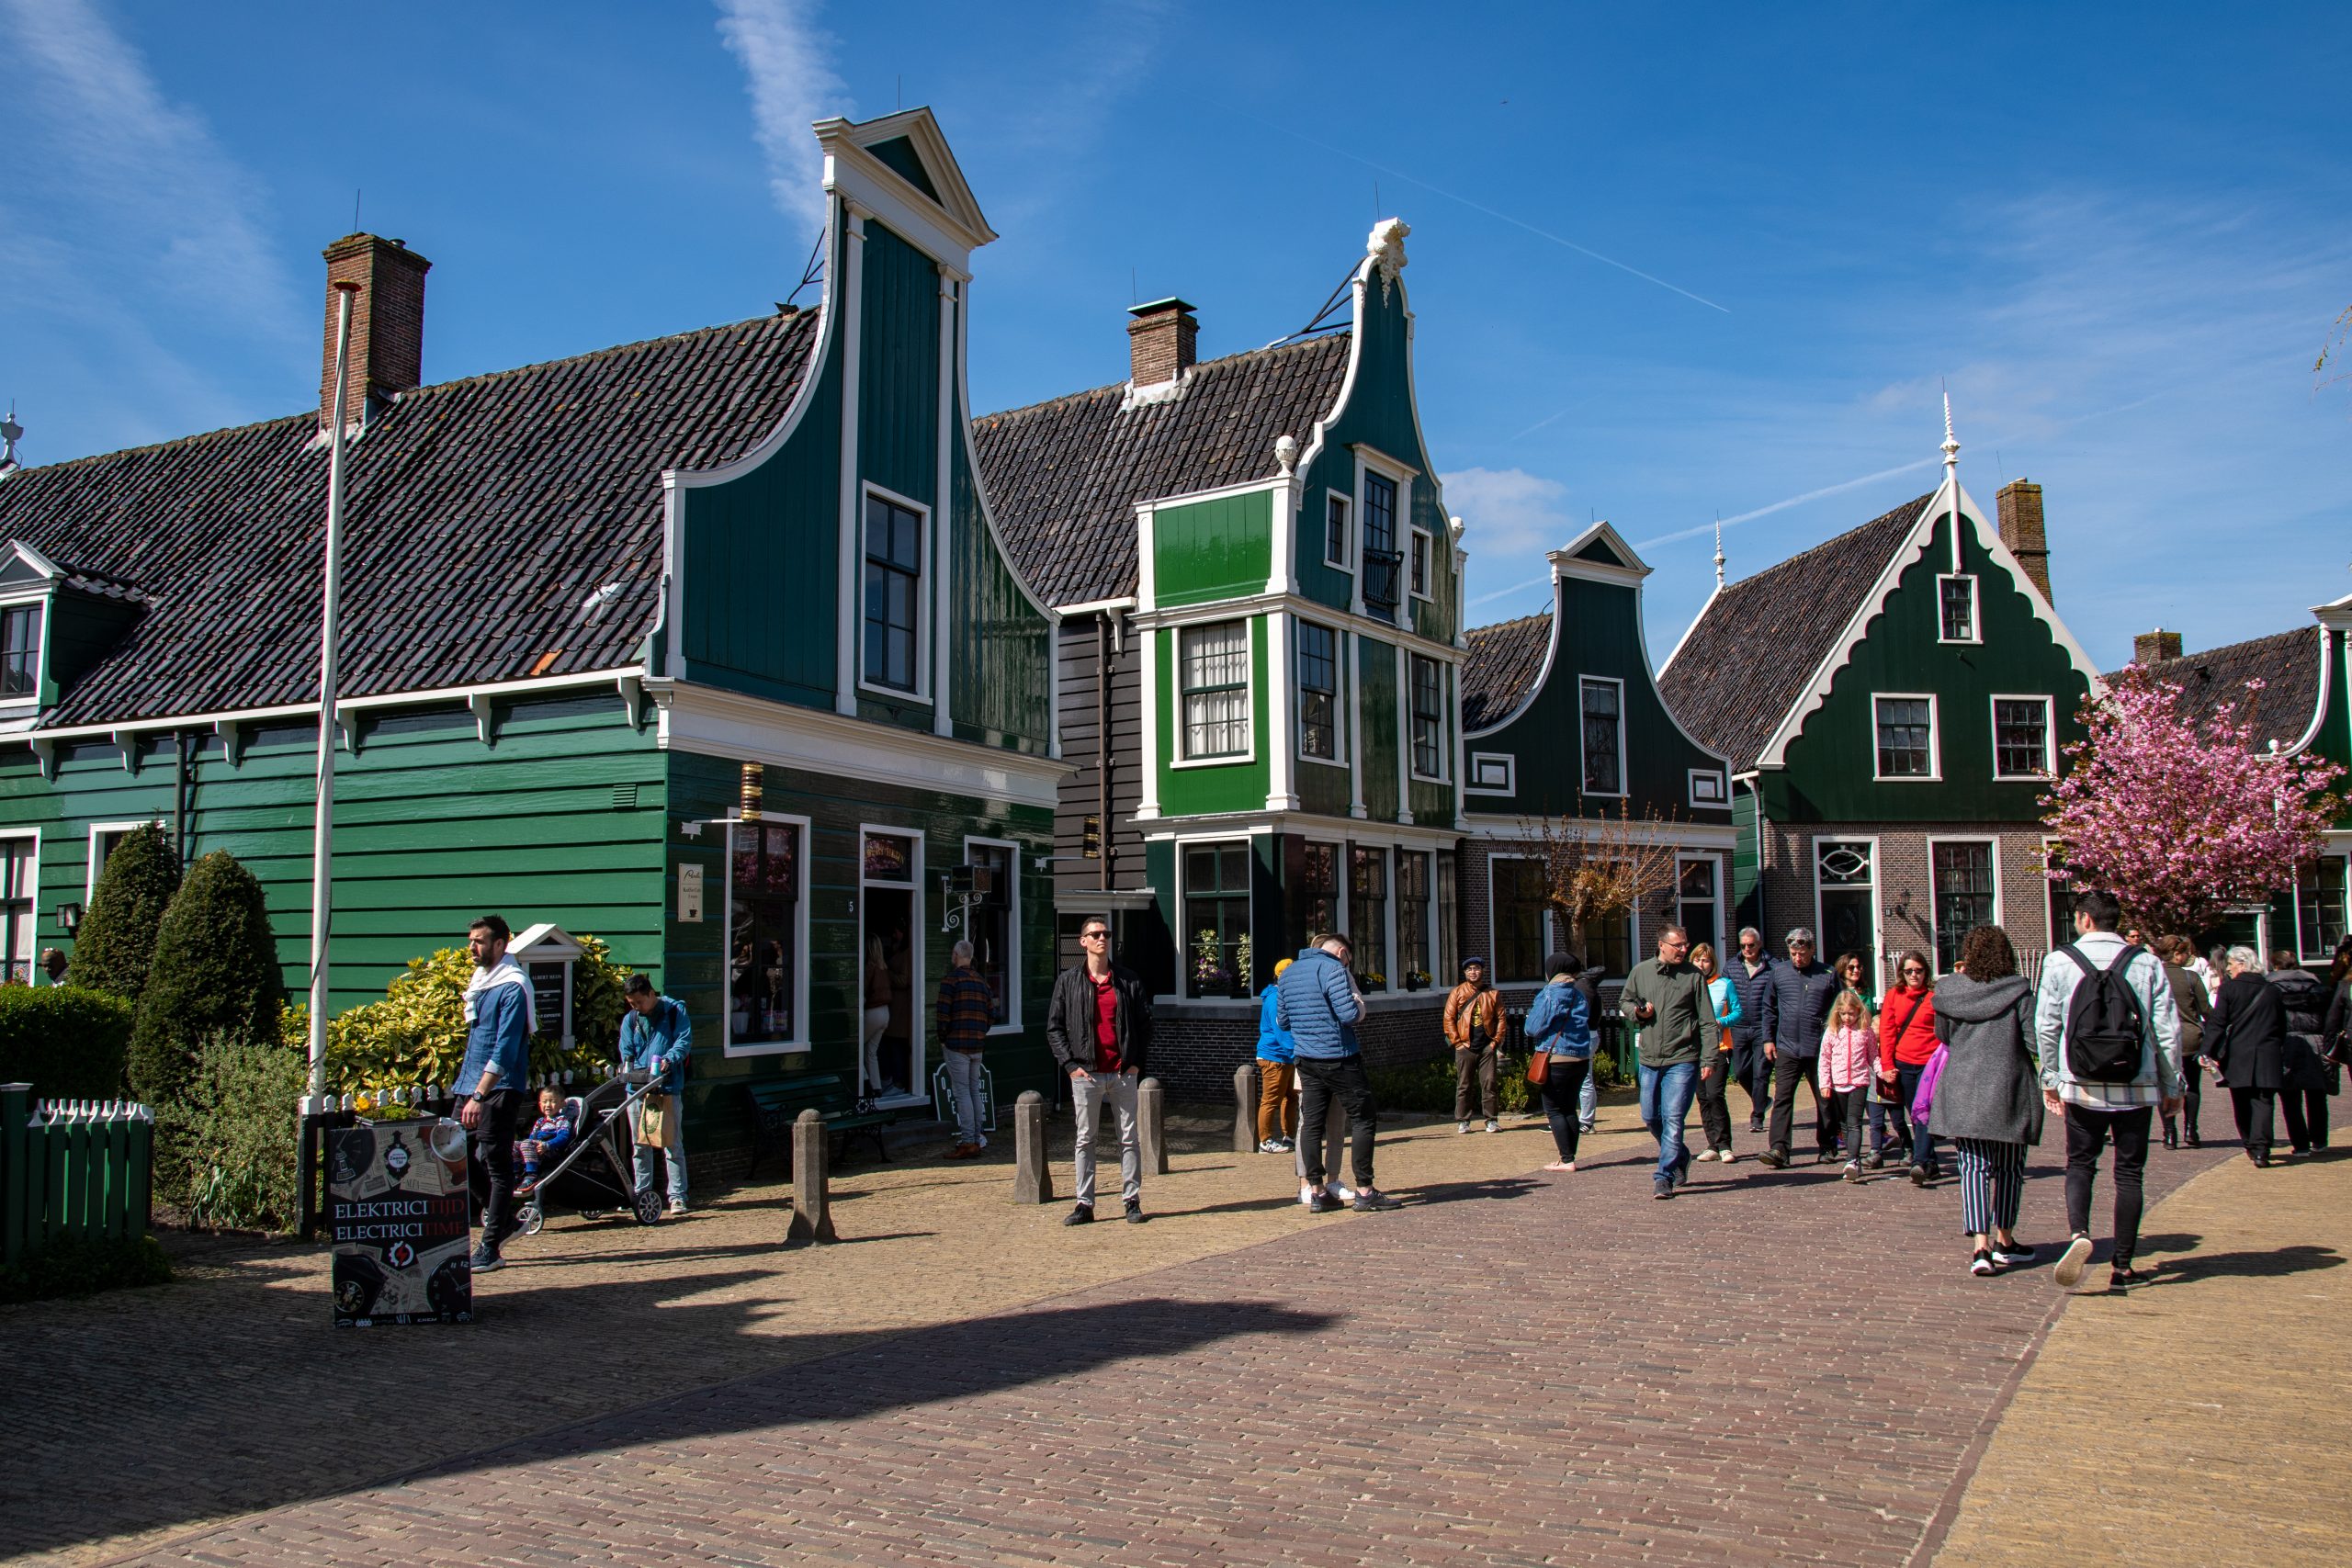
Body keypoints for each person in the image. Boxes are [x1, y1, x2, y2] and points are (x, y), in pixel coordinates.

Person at [2035, 890, 2182, 1292]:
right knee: (2130, 1173)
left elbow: (2046, 1025)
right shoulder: (2147, 962)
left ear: (2084, 919)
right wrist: (2173, 1086)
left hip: (2082, 1083)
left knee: (2081, 1163)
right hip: (2136, 1082)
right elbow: (2166, 1031)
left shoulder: (2060, 961)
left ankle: (2080, 1232)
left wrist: (2050, 1078)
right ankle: (2123, 1264)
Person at [1928, 926, 2041, 1278]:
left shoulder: (1949, 993)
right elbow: (2034, 1042)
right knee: (2009, 1168)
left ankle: (1980, 1246)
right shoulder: (2020, 992)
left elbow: (1943, 1036)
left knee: (1973, 1168)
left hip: (1964, 1087)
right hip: (2009, 1087)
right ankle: (2005, 1239)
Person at [1276, 932, 1401, 1213]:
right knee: (1364, 1117)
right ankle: (1365, 1191)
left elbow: (1282, 1021)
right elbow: (1348, 1015)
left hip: (1305, 1059)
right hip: (1339, 1057)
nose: (1347, 965)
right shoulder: (1333, 969)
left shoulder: (1289, 972)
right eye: (1348, 960)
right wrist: (1358, 1005)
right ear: (1342, 952)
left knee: (1311, 1124)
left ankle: (1317, 1193)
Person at [1046, 916, 1151, 1224]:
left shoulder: (1128, 981)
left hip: (1121, 1073)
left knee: (1129, 1138)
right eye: (1095, 934)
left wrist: (1135, 1064)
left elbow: (1145, 1025)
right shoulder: (1068, 982)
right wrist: (1070, 1065)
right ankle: (1084, 1204)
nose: (1102, 939)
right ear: (1083, 942)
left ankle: (1131, 1200)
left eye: (1106, 933)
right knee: (1084, 1139)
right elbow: (1054, 1028)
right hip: (1086, 1073)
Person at [1619, 924, 1722, 1200]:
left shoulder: (1693, 976)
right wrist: (1639, 1013)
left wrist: (1709, 1057)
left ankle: (1664, 1176)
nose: (1684, 949)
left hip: (1683, 1059)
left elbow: (1708, 1021)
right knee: (1651, 1117)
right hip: (1650, 1058)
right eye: (1679, 945)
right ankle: (1681, 1155)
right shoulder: (1641, 972)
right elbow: (1625, 1002)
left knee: (1674, 1120)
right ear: (1662, 944)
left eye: (1685, 944)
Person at [456, 915, 535, 1273]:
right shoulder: (483, 981)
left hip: (497, 1088)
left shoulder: (513, 986)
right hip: (470, 1083)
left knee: (496, 1163)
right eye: (471, 940)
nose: (473, 947)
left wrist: (479, 1095)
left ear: (501, 943)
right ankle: (503, 1222)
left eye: (480, 941)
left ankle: (491, 1247)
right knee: (457, 1156)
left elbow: (504, 1048)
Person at [1759, 928, 1840, 1168]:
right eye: (1793, 953)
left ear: (1812, 950)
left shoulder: (1827, 973)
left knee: (1825, 1099)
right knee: (1783, 1098)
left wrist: (1833, 1038)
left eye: (1802, 953)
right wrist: (1768, 1039)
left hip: (1819, 1048)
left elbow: (1839, 1007)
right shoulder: (1779, 972)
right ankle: (1779, 1149)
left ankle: (1827, 1146)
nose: (1797, 958)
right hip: (1787, 1047)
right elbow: (1769, 1007)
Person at [618, 972, 693, 1213]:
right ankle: (642, 1193)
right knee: (640, 1143)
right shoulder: (631, 1020)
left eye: (640, 1002)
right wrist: (627, 1064)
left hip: (667, 1086)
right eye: (632, 1004)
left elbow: (683, 1040)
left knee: (671, 1142)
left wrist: (669, 1060)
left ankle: (677, 1196)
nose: (636, 1007)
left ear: (651, 993)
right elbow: (626, 1048)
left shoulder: (674, 1012)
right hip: (637, 1087)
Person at [1524, 952, 1594, 1172]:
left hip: (1556, 1058)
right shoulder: (1579, 993)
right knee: (1570, 1108)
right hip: (1581, 1057)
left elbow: (1532, 1028)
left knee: (1554, 1109)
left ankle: (1566, 1160)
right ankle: (1568, 1156)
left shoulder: (1550, 993)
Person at [1877, 952, 1939, 1180]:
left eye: (1918, 970)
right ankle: (1931, 1163)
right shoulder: (1895, 995)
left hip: (1929, 1064)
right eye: (1909, 971)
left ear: (1926, 972)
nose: (1914, 975)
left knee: (1924, 1113)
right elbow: (1887, 1031)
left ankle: (1920, 1162)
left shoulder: (1935, 996)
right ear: (1902, 973)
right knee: (1915, 1113)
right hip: (1904, 1061)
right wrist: (1887, 1065)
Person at [2270, 949, 2334, 1155]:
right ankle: (2319, 1140)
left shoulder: (2271, 988)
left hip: (2286, 1042)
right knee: (2317, 1094)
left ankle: (2300, 1145)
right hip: (2316, 1041)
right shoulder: (2316, 986)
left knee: (2290, 1098)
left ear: (2276, 966)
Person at [936, 940, 995, 1159]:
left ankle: (968, 1140)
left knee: (962, 1092)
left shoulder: (951, 981)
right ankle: (977, 1137)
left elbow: (942, 1015)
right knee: (973, 1090)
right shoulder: (982, 982)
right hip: (977, 1045)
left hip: (956, 1044)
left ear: (955, 955)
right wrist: (980, 1033)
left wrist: (943, 1039)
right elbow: (991, 1015)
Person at [2155, 935, 2213, 1148]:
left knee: (2165, 1086)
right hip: (2189, 1038)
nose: (2189, 956)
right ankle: (2191, 1130)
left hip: (2162, 1039)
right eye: (2186, 952)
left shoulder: (2154, 976)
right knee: (2192, 1086)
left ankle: (2169, 1134)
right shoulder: (2191, 978)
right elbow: (2206, 1010)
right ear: (2177, 955)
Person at [1724, 928, 1779, 1135]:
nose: (1747, 949)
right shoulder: (1732, 966)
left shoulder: (1773, 966)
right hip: (1738, 1026)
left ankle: (1757, 1117)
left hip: (1762, 1026)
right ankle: (1763, 1101)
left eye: (1751, 945)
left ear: (1759, 943)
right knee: (1740, 1071)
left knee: (1761, 1073)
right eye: (1743, 945)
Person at [1690, 942, 1740, 1162]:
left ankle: (1725, 1145)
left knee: (1715, 1093)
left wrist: (1722, 1021)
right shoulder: (1687, 984)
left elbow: (1738, 1011)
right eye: (1698, 959)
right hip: (1695, 1049)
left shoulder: (1724, 984)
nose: (1702, 964)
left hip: (1719, 1047)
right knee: (1702, 1097)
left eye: (1706, 959)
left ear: (1713, 962)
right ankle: (1712, 1144)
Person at [1820, 988, 1877, 1182]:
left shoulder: (1865, 1031)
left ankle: (1851, 1160)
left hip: (1859, 1081)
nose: (1847, 1017)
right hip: (1838, 1083)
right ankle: (1855, 1160)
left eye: (1851, 1014)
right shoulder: (1832, 1031)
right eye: (1843, 1013)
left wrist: (1882, 1072)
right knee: (1844, 1123)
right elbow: (1824, 1059)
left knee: (1854, 1123)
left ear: (1858, 1011)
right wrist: (1825, 1083)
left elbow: (1873, 1056)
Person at [1443, 957, 1503, 1134]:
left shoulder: (1493, 994)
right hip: (1465, 1046)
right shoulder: (1457, 993)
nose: (1473, 972)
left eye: (1476, 968)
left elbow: (1501, 1019)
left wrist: (1495, 1042)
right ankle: (1463, 1120)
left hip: (1486, 1047)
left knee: (1489, 1083)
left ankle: (1491, 1120)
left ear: (1482, 970)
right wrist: (1457, 1043)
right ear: (1465, 972)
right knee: (1464, 1085)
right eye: (1469, 969)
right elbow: (1449, 1018)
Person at [1255, 956, 1299, 1154]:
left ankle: (1289, 1136)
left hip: (1285, 1056)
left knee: (1290, 1097)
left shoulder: (1283, 996)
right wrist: (1295, 1051)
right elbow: (1281, 1029)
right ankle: (1265, 1141)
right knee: (1271, 1099)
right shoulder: (1275, 999)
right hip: (1275, 1056)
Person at [516, 1087, 573, 1192]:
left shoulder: (562, 1120)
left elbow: (563, 1137)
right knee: (514, 1145)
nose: (548, 1105)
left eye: (553, 1101)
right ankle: (515, 1173)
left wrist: (547, 1145)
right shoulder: (540, 1121)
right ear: (540, 1104)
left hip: (550, 1150)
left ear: (562, 1103)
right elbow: (532, 1138)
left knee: (526, 1144)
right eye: (544, 1102)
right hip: (536, 1148)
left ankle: (532, 1175)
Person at [860, 936, 891, 1100]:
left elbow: (863, 991)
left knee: (856, 1048)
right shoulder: (884, 967)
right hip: (885, 1013)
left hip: (872, 1012)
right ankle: (877, 1087)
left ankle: (865, 1084)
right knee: (871, 1052)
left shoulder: (869, 968)